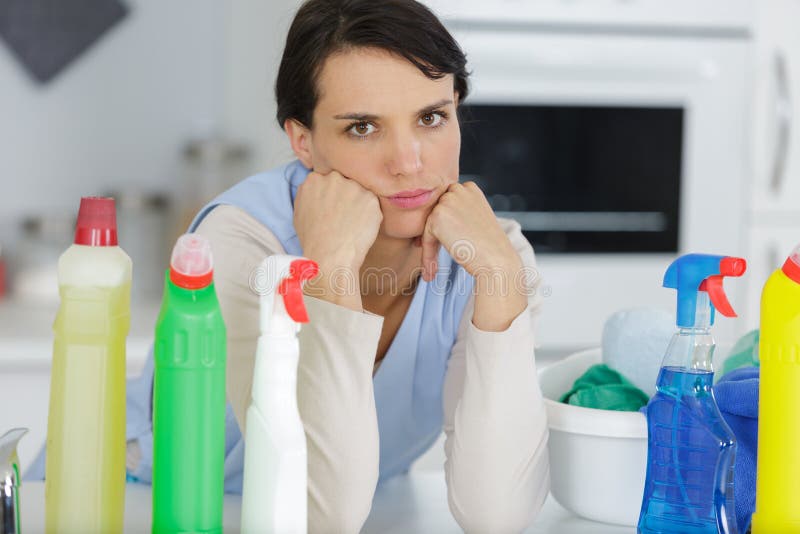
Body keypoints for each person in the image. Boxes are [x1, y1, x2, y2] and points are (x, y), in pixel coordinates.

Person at [126, 0, 550, 531]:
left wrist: (500, 277)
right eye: (363, 127)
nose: (409, 162)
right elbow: (316, 518)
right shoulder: (240, 246)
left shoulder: (490, 256)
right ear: (303, 141)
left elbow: (500, 517)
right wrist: (331, 274)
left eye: (431, 117)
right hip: (145, 507)